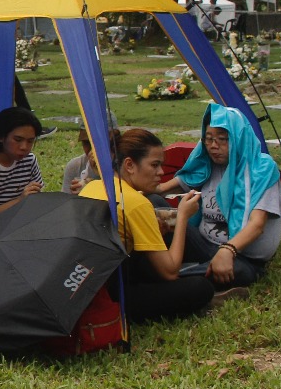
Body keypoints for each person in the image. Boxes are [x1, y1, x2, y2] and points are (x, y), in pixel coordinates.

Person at [79, 129, 216, 321]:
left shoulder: (94, 186)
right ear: (129, 165)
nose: (161, 172)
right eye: (154, 165)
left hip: (88, 282)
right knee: (200, 288)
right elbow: (170, 272)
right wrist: (182, 217)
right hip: (114, 296)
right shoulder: (137, 203)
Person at [158, 103, 281, 288]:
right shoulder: (205, 165)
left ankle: (176, 277)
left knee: (228, 273)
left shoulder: (261, 169)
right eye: (208, 139)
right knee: (154, 210)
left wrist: (227, 250)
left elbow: (257, 224)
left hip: (241, 255)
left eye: (222, 139)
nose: (213, 146)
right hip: (204, 243)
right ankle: (176, 275)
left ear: (238, 137)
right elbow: (161, 189)